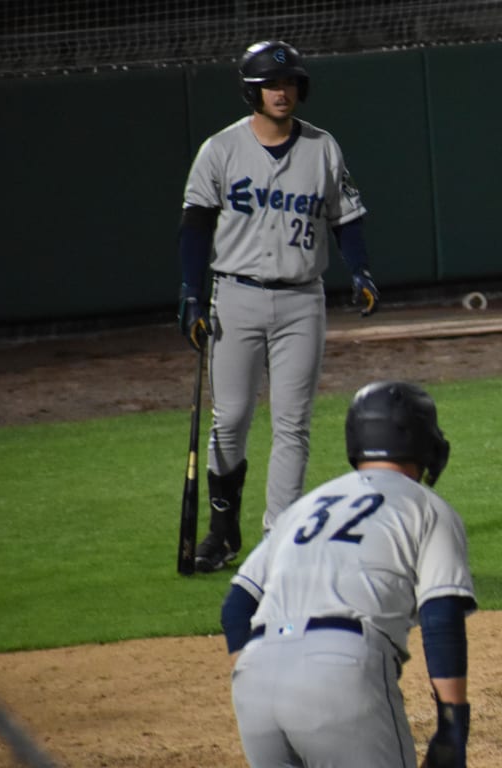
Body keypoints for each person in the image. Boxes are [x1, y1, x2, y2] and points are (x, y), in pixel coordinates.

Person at [177, 40, 381, 572]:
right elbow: (196, 225)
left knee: (292, 424)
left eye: (288, 83)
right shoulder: (220, 150)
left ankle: (279, 540)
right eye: (271, 84)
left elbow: (347, 217)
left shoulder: (322, 148)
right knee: (232, 419)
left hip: (301, 301)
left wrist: (359, 271)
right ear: (252, 91)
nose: (281, 92)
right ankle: (222, 533)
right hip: (235, 297)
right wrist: (191, 294)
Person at [219, 381, 477, 767]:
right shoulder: (428, 508)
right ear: (423, 439)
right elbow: (441, 617)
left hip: (255, 678)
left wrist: (268, 669)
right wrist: (453, 726)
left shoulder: (304, 507)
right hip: (340, 675)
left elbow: (236, 608)